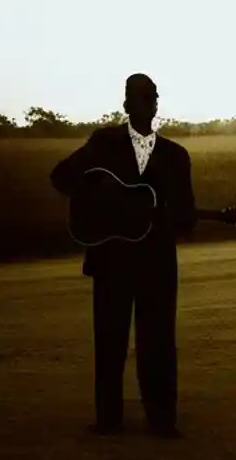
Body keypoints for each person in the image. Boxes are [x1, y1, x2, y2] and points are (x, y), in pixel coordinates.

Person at [50, 73, 196, 438]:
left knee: (159, 340)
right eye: (140, 97)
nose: (148, 104)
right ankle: (108, 418)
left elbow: (185, 216)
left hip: (157, 261)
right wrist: (102, 195)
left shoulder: (176, 156)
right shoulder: (103, 143)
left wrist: (171, 219)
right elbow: (62, 176)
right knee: (110, 340)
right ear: (127, 104)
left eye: (152, 97)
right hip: (111, 257)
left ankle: (162, 419)